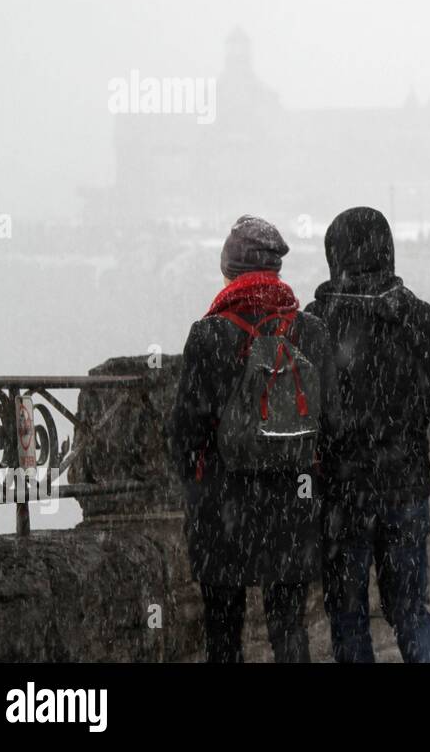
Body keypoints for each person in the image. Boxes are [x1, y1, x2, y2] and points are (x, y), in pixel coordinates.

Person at [165, 215, 341, 663]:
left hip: (223, 504)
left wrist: (196, 485)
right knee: (289, 626)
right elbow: (332, 423)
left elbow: (186, 427)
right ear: (276, 272)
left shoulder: (209, 334)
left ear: (229, 273)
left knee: (222, 630)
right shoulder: (311, 331)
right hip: (292, 501)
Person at [307, 207, 430, 663]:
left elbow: (301, 419)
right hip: (405, 488)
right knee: (411, 611)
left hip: (343, 495)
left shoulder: (316, 322)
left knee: (347, 615)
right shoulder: (421, 319)